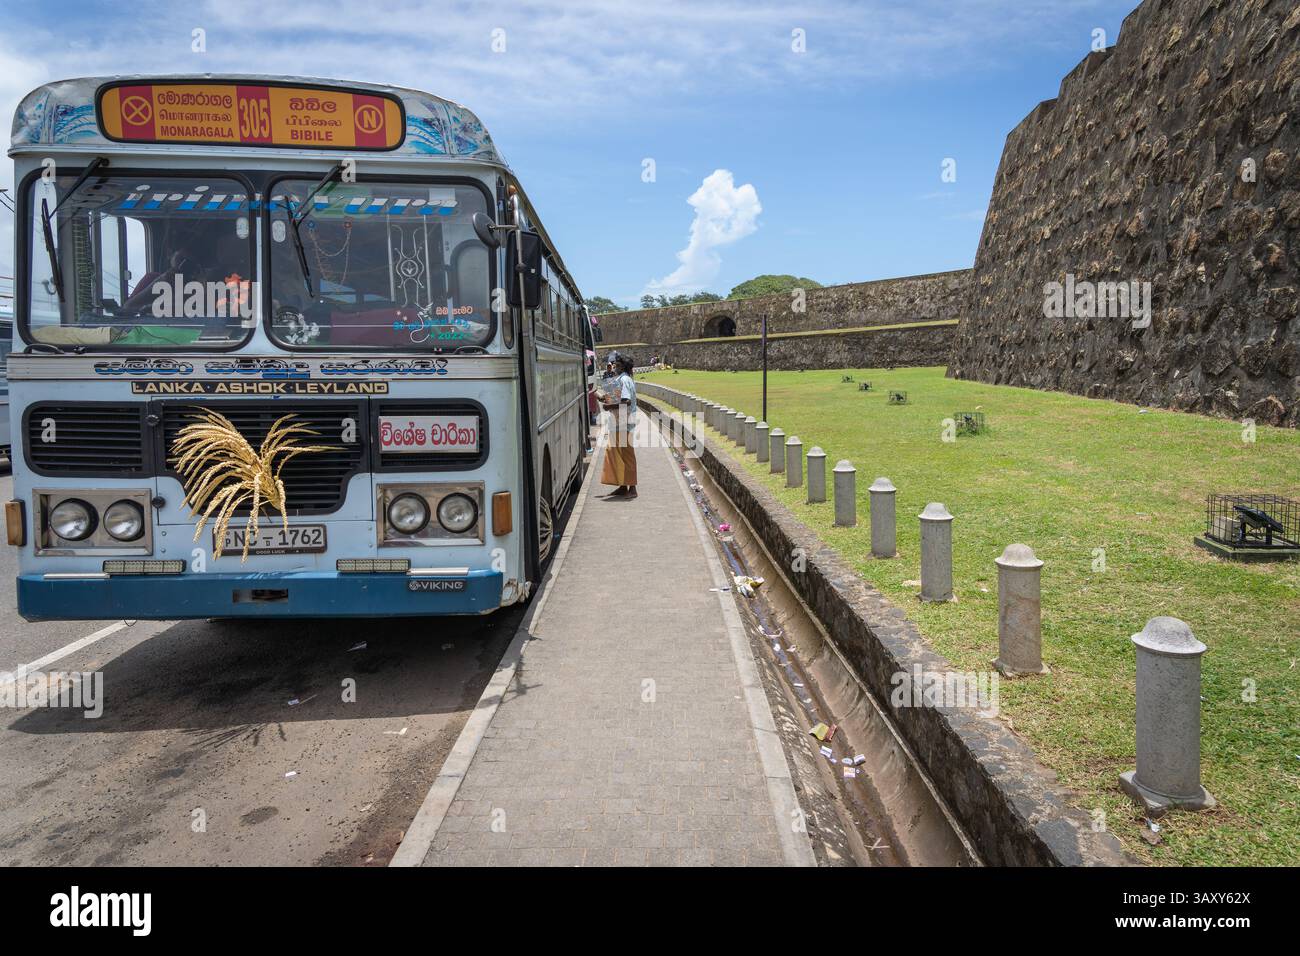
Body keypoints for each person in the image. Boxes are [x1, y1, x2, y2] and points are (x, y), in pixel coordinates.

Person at [599, 353, 638, 499]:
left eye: (618, 365)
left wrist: (609, 406)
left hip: (624, 423)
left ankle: (632, 488)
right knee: (616, 454)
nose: (615, 367)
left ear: (623, 367)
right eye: (615, 365)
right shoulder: (621, 379)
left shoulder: (625, 380)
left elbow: (626, 401)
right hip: (619, 422)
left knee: (626, 455)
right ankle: (623, 485)